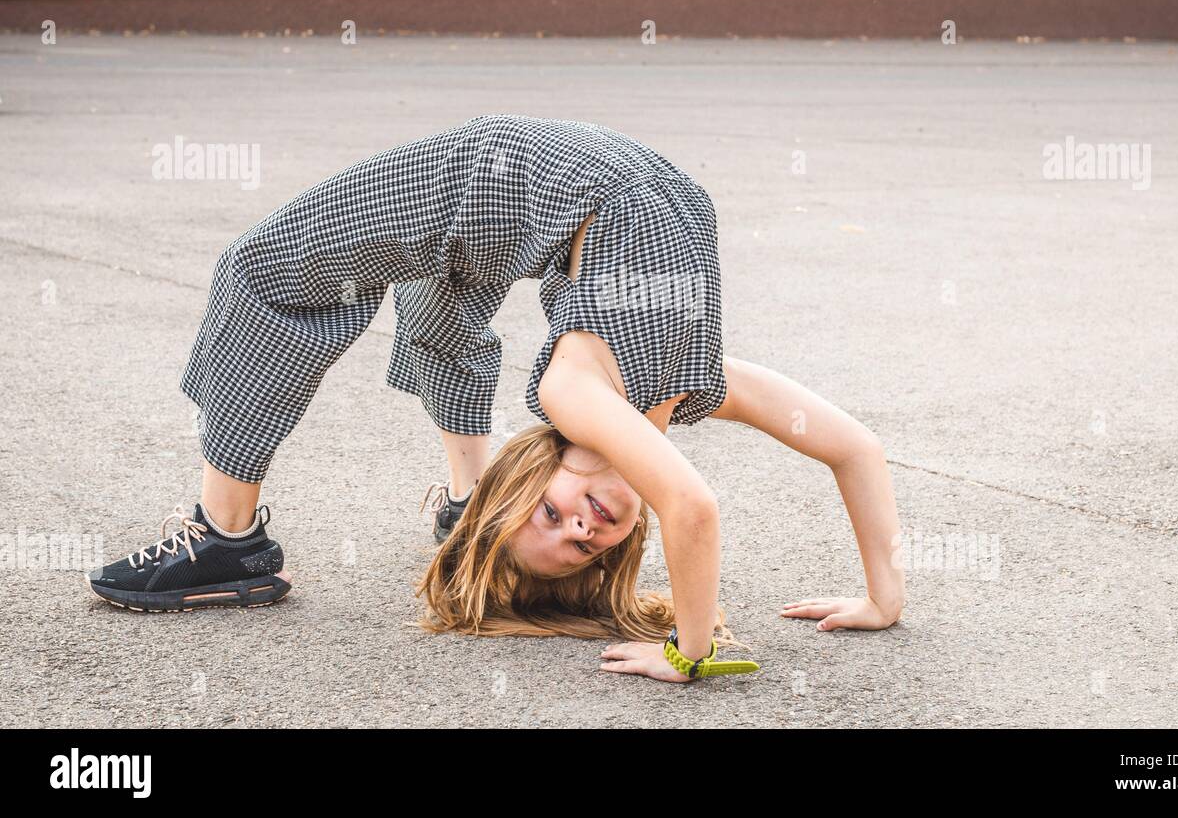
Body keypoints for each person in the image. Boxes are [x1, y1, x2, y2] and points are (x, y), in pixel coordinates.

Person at [87, 114, 904, 682]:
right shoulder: (661, 392)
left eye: (558, 526)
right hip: (544, 178)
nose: (584, 525)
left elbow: (785, 472)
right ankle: (229, 540)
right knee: (278, 275)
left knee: (335, 278)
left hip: (555, 182)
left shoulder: (639, 390)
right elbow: (747, 489)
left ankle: (257, 535)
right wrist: (876, 601)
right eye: (579, 540)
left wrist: (704, 646)